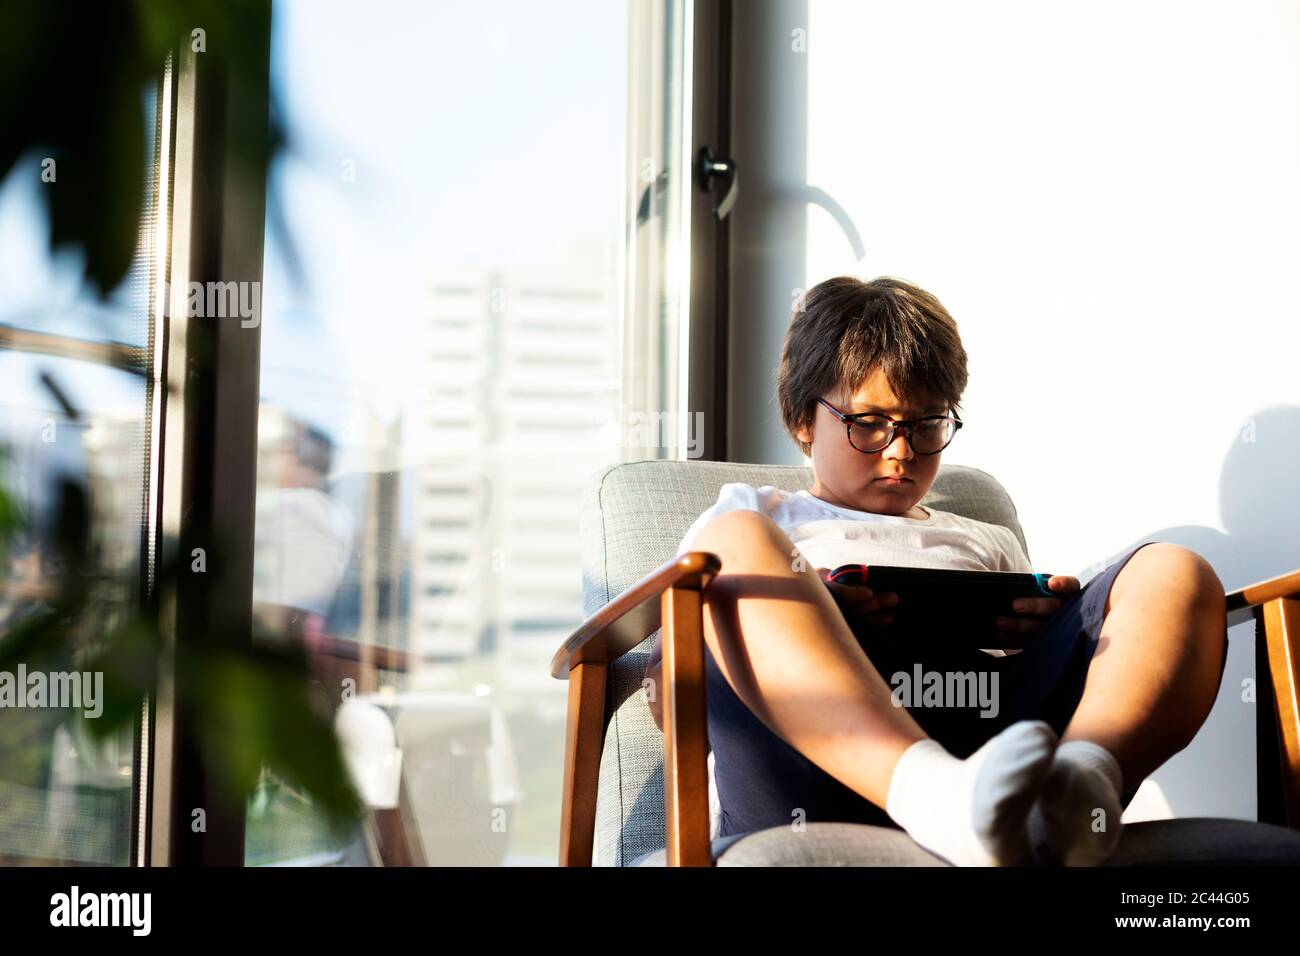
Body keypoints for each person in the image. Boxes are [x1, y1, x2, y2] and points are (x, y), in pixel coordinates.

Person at [644, 276, 1229, 866]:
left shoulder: (987, 541)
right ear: (802, 420)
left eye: (926, 425)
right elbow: (669, 694)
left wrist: (1052, 629)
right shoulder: (754, 514)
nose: (901, 451)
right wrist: (802, 614)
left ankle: (1074, 790)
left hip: (978, 735)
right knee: (735, 544)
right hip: (813, 772)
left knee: (1173, 570)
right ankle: (936, 799)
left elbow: (1027, 687)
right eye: (869, 422)